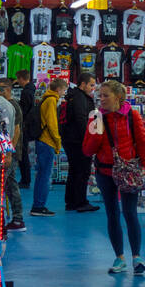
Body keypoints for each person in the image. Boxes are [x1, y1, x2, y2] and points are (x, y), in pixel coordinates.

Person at [83, 80, 145, 275]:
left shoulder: (132, 115)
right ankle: (119, 257)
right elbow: (87, 150)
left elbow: (143, 144)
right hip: (105, 172)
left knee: (130, 213)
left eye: (106, 95)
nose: (101, 99)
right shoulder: (96, 117)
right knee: (112, 214)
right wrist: (97, 132)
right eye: (100, 95)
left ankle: (137, 257)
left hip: (129, 173)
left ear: (118, 97)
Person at [0, 79, 25, 231]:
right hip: (7, 153)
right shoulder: (10, 105)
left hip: (6, 154)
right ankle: (15, 220)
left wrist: (8, 153)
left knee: (0, 189)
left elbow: (16, 130)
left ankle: (3, 225)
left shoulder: (9, 106)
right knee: (7, 186)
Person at [61, 73, 100, 213]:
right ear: (82, 84)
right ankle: (80, 202)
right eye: (91, 85)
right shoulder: (79, 98)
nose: (93, 88)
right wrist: (88, 139)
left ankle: (72, 201)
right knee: (82, 171)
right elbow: (81, 118)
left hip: (71, 139)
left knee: (74, 171)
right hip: (78, 140)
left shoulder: (74, 96)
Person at [30, 77, 67, 216]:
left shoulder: (46, 99)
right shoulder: (51, 100)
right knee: (45, 175)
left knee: (42, 174)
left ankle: (38, 205)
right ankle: (39, 206)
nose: (64, 93)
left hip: (43, 140)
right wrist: (57, 141)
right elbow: (52, 124)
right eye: (64, 90)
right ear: (58, 89)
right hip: (47, 141)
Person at [14, 69, 36, 188]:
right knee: (23, 153)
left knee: (23, 154)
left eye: (18, 79)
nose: (17, 81)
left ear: (22, 79)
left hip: (25, 126)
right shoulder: (32, 90)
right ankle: (25, 179)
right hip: (29, 125)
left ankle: (25, 180)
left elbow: (24, 110)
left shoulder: (26, 92)